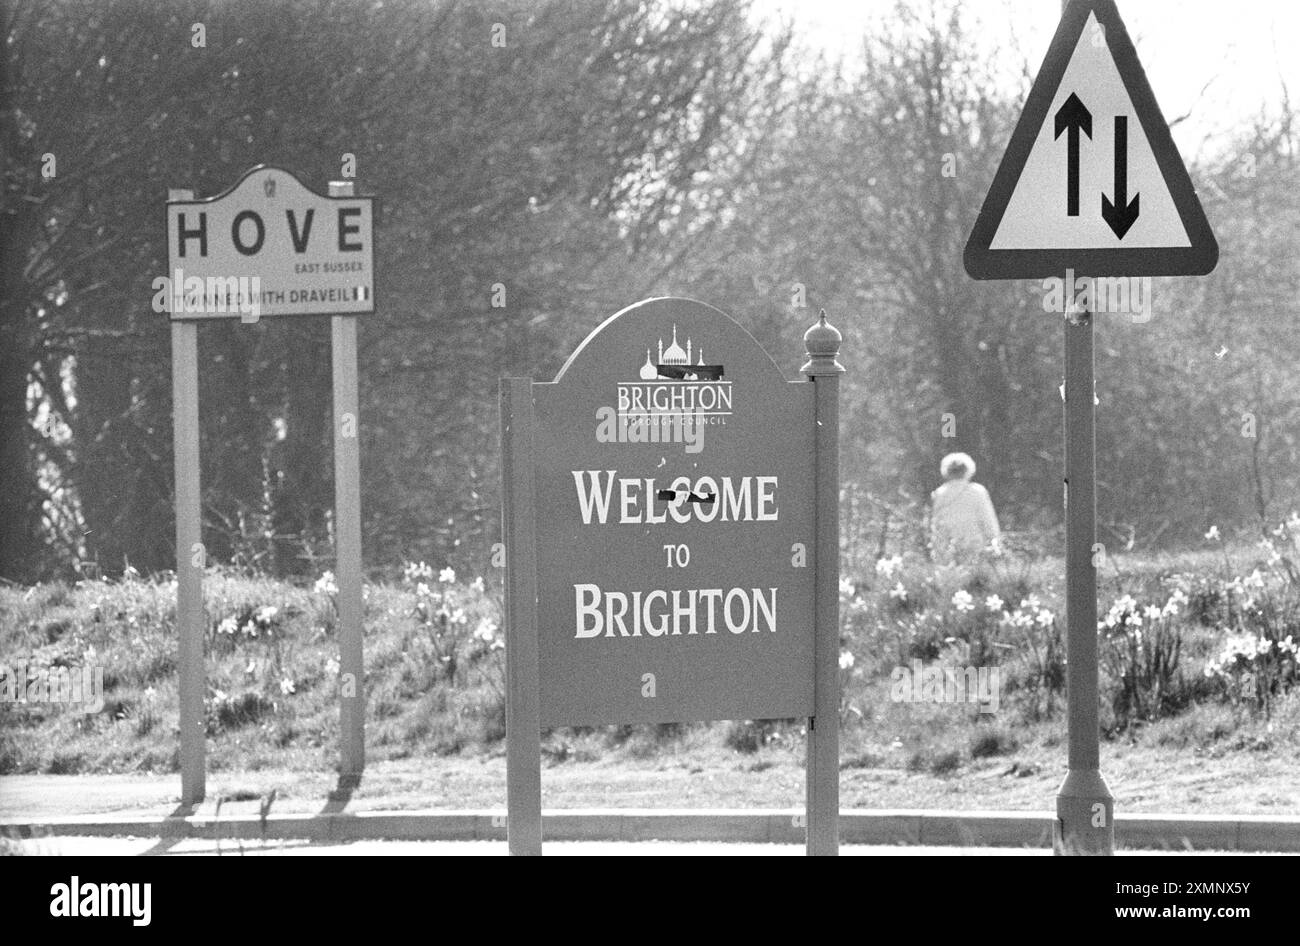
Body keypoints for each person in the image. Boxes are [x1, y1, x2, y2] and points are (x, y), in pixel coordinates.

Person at [929, 452, 1001, 563]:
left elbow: (937, 523)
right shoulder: (978, 491)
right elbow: (987, 518)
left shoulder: (940, 493)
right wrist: (995, 541)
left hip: (949, 549)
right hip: (975, 547)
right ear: (968, 470)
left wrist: (938, 550)